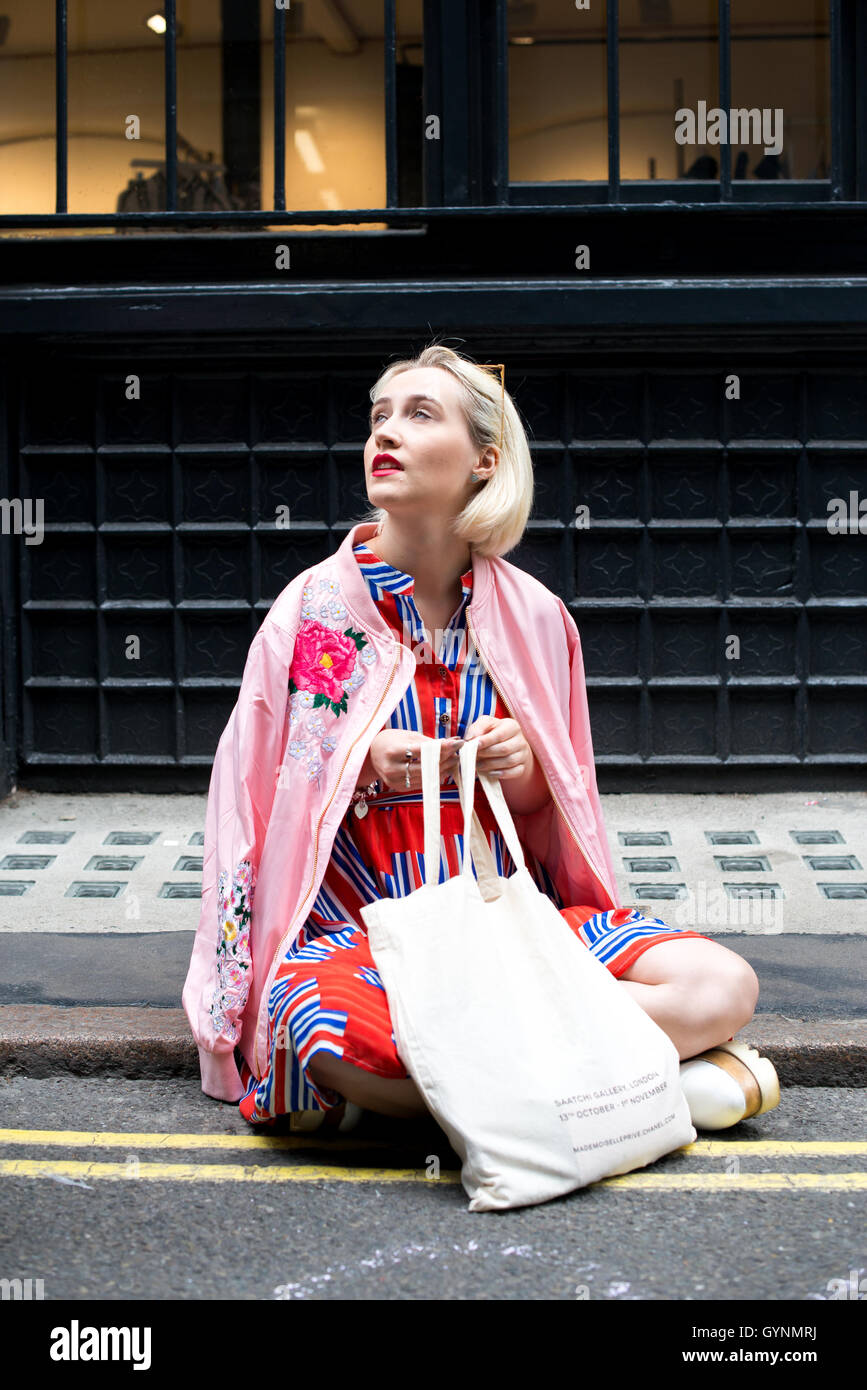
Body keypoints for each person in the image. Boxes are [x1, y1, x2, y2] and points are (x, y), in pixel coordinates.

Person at [183, 342, 780, 1136]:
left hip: (510, 919)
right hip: (359, 938)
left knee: (718, 985)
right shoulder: (313, 608)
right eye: (378, 418)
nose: (383, 435)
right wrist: (361, 766)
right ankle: (655, 1085)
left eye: (418, 415)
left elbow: (556, 805)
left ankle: (460, 1099)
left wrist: (524, 766)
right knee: (323, 1039)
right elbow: (250, 791)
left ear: (483, 461)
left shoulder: (535, 615)